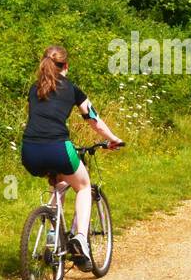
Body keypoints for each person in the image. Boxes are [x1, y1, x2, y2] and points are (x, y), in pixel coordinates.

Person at [19, 45, 123, 268]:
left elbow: (39, 119)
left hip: (29, 151)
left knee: (60, 182)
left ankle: (53, 236)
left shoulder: (34, 88)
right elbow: (94, 120)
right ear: (66, 66)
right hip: (57, 146)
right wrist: (113, 138)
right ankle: (81, 240)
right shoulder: (73, 90)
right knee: (83, 186)